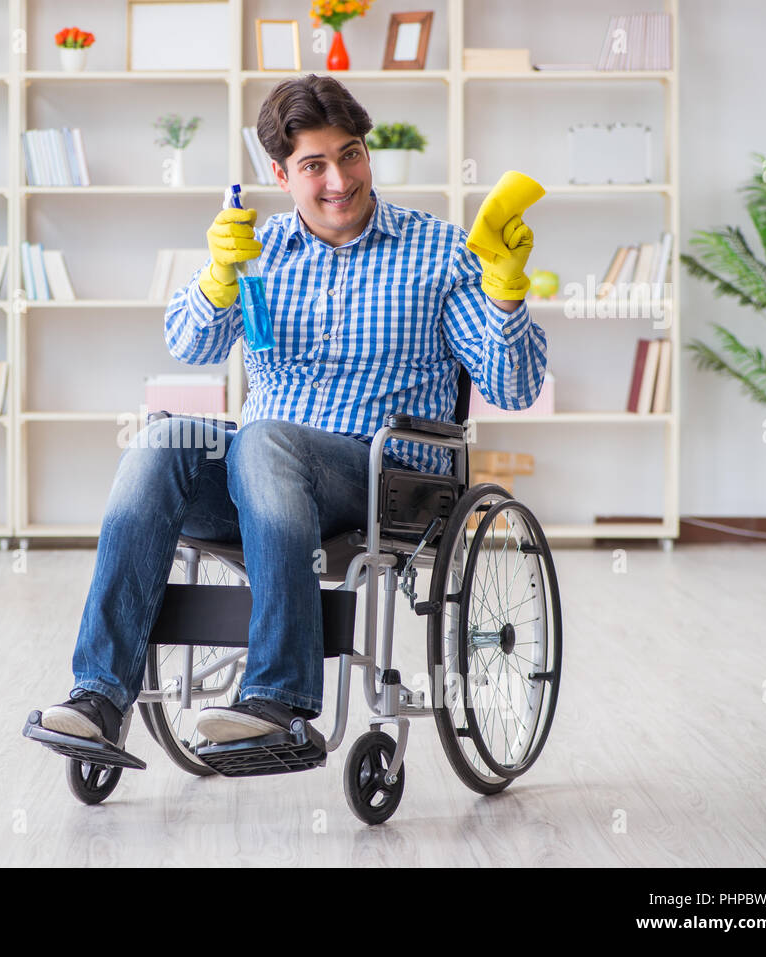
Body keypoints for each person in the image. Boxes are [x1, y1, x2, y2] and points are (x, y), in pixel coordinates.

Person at [36, 74, 548, 749]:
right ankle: (100, 695)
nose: (339, 178)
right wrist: (218, 279)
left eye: (352, 153)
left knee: (266, 439)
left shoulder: (440, 250)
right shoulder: (260, 251)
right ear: (279, 173)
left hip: (381, 478)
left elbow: (513, 388)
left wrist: (507, 297)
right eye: (314, 164)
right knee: (160, 440)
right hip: (263, 475)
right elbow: (191, 343)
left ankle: (279, 697)